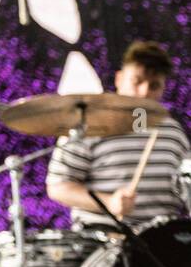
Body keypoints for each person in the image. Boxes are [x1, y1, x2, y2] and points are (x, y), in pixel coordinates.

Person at [46, 40, 189, 231]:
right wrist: (109, 202)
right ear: (119, 79)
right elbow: (58, 187)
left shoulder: (173, 132)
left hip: (161, 243)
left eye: (154, 86)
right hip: (105, 238)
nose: (144, 92)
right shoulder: (88, 127)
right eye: (137, 82)